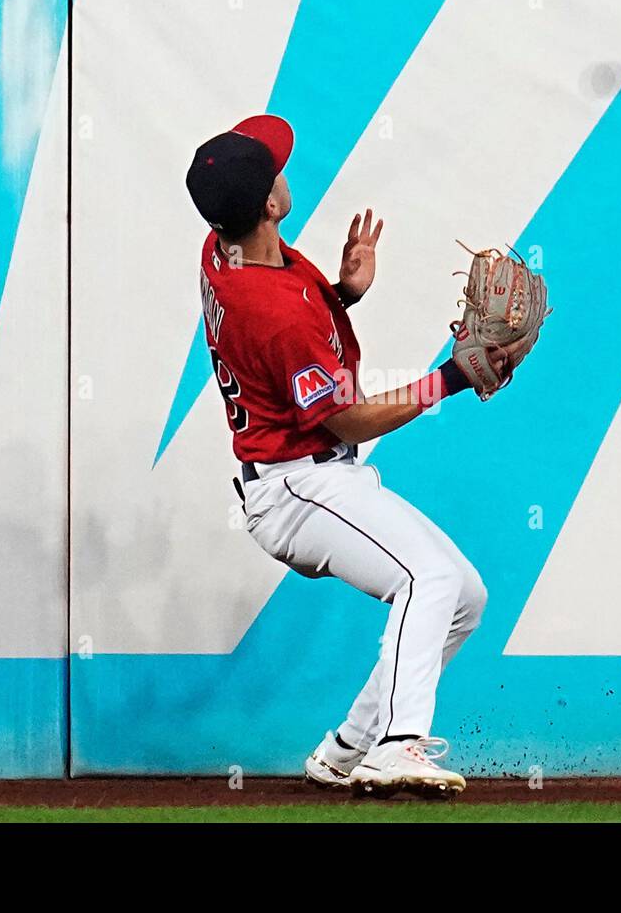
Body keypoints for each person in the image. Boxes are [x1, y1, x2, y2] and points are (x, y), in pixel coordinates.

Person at [185, 115, 525, 796]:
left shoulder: (227, 248)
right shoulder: (272, 310)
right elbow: (342, 417)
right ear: (272, 204)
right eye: (275, 168)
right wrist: (453, 378)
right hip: (295, 488)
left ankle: (347, 749)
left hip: (315, 474)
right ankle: (398, 745)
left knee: (464, 596)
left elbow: (289, 333)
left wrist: (342, 296)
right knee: (425, 577)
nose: (284, 168)